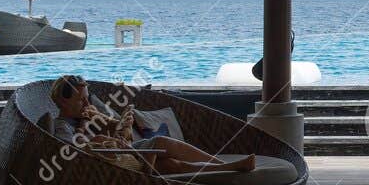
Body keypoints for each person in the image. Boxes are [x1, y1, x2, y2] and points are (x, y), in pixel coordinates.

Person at [48, 75, 256, 175]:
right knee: (166, 154)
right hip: (112, 161)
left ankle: (222, 167)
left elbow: (117, 130)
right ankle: (226, 168)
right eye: (80, 100)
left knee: (167, 156)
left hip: (124, 152)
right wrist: (87, 125)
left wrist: (113, 123)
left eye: (87, 98)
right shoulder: (62, 125)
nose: (87, 103)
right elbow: (72, 150)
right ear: (63, 101)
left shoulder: (88, 112)